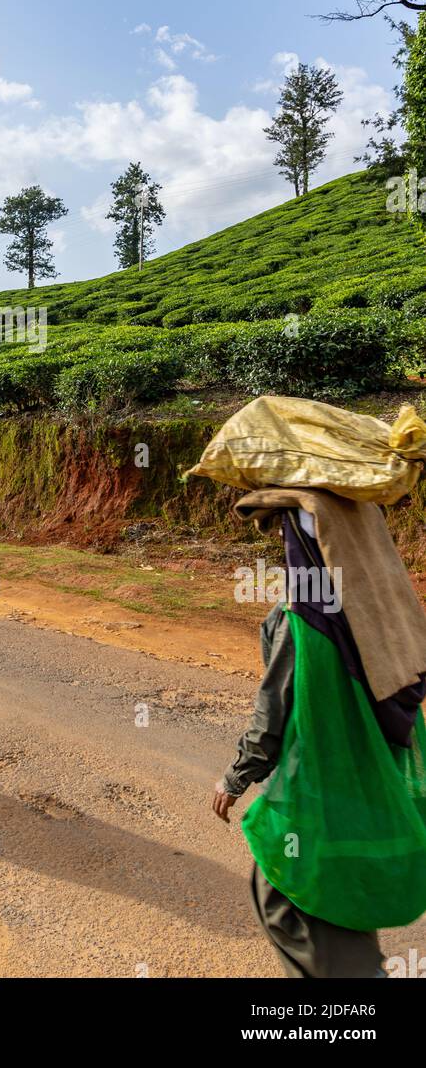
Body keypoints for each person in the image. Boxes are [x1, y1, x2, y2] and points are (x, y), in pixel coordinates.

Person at [190, 398, 426, 978]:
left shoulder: (302, 620)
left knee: (295, 896)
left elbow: (273, 712)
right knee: (332, 899)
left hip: (319, 789)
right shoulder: (383, 615)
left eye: (280, 529)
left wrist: (236, 775)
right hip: (370, 790)